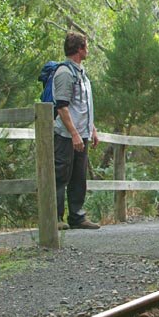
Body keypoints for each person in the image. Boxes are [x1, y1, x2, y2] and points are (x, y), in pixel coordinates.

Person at [53, 32, 100, 230]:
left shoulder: (82, 73)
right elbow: (62, 107)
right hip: (66, 135)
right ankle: (55, 218)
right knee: (60, 175)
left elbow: (83, 106)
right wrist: (73, 134)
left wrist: (92, 129)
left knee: (79, 177)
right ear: (79, 49)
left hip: (82, 134)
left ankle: (77, 217)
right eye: (86, 47)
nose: (87, 50)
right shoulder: (65, 73)